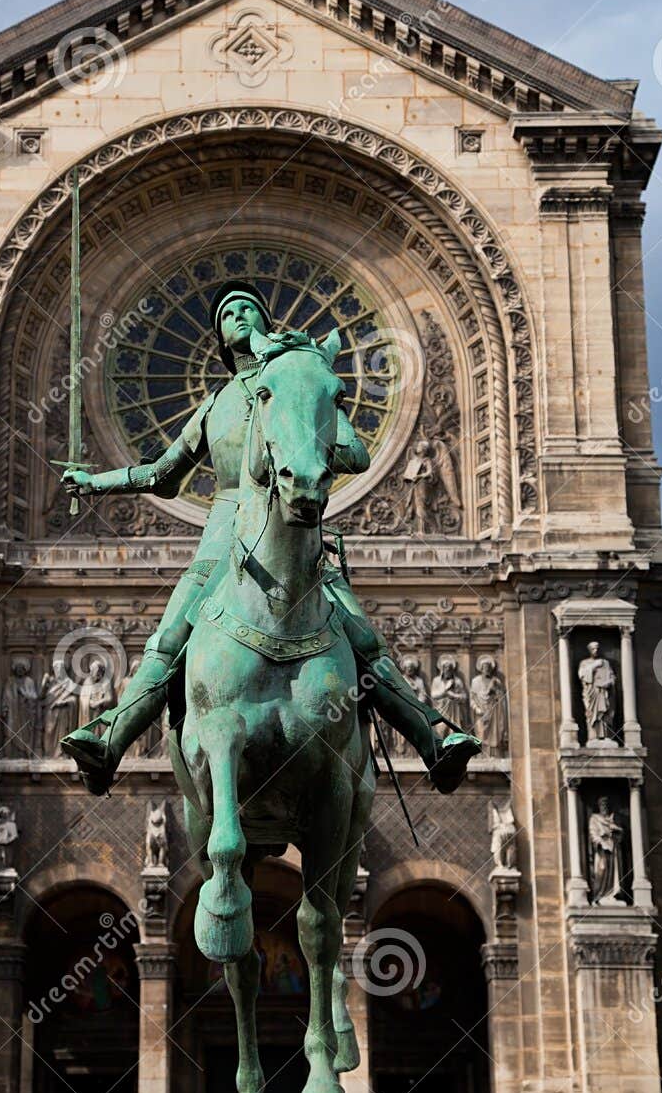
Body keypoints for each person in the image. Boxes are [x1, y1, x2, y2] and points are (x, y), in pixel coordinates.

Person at [60, 283, 480, 796]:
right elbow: (163, 474)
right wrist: (96, 482)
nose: (238, 315)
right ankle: (111, 737)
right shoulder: (214, 405)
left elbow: (356, 455)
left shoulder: (299, 382)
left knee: (364, 638)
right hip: (223, 535)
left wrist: (309, 448)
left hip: (297, 532)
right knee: (169, 638)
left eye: (248, 308)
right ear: (218, 335)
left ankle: (431, 737)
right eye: (227, 313)